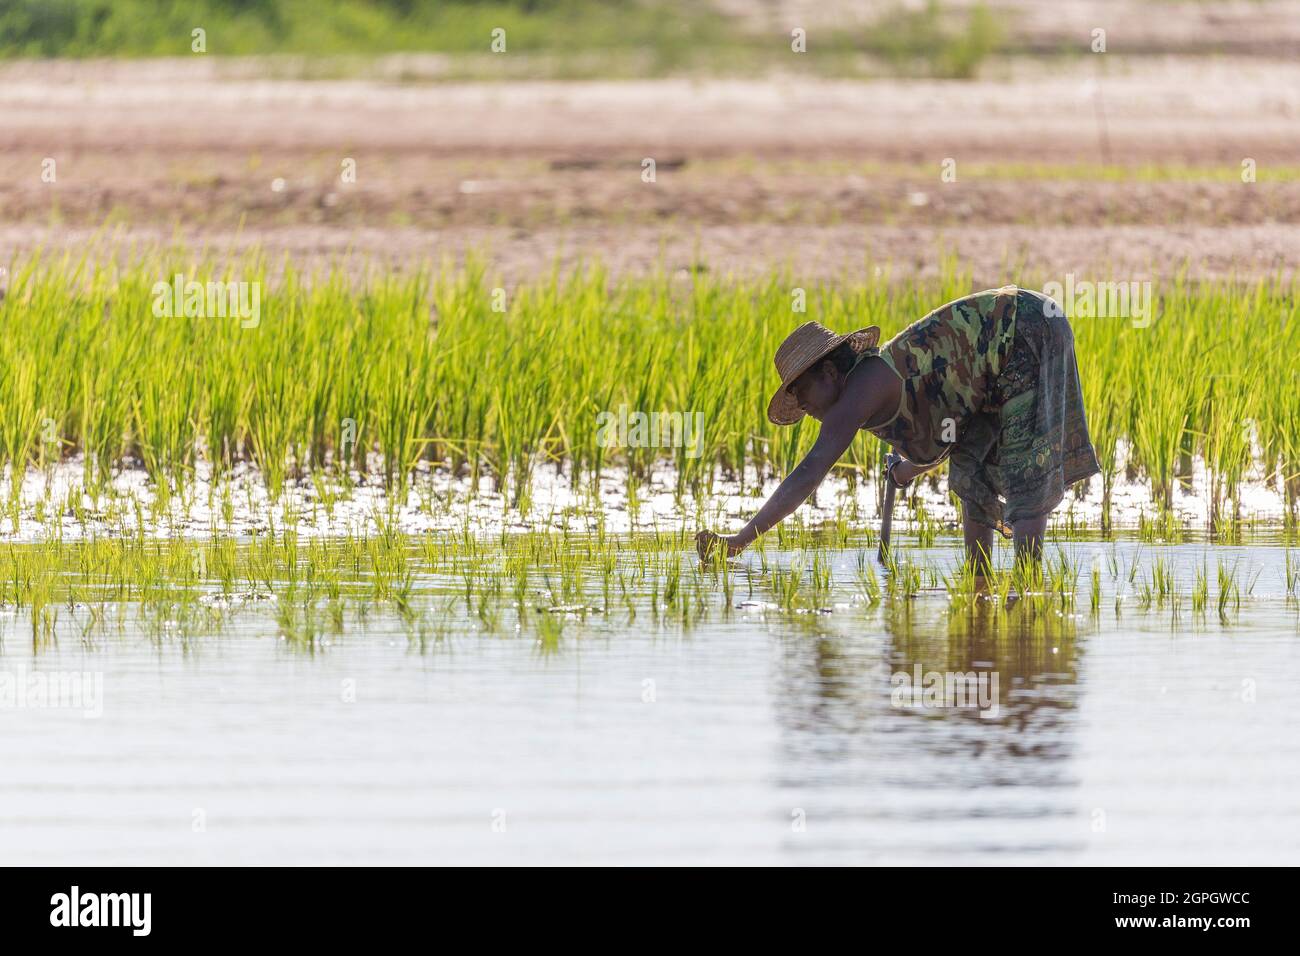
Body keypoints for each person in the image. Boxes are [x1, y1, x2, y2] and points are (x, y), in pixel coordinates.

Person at [695, 285, 1100, 577]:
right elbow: (948, 430)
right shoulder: (868, 388)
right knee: (970, 468)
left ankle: (1026, 592)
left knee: (1024, 471)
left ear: (832, 373)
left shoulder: (862, 388)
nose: (801, 405)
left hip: (1022, 328)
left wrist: (740, 539)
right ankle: (980, 586)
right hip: (991, 370)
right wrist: (908, 469)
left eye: (802, 392)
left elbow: (809, 472)